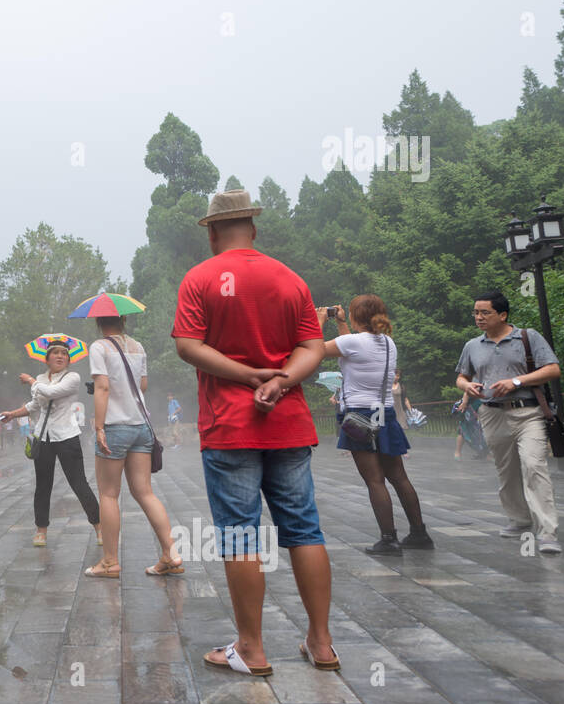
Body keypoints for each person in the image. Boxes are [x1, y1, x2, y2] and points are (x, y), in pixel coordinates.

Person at [172, 189, 336, 677]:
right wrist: (283, 379)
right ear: (254, 228)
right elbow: (313, 346)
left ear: (211, 230)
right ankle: (322, 644)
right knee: (304, 529)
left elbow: (186, 345)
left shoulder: (199, 278)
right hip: (288, 424)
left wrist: (248, 377)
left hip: (230, 426)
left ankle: (251, 648)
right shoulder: (288, 278)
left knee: (241, 535)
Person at [320, 297, 433, 554]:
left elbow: (314, 350)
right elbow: (351, 347)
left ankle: (388, 539)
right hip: (386, 413)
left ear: (357, 316)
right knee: (399, 477)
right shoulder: (388, 342)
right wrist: (341, 325)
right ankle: (419, 533)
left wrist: (319, 321)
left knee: (375, 480)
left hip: (360, 414)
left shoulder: (353, 342)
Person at [455, 290, 562, 555]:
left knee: (534, 465)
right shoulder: (472, 345)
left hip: (528, 412)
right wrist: (468, 386)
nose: (478, 317)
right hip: (492, 413)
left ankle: (547, 531)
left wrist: (516, 381)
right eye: (476, 312)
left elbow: (552, 369)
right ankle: (520, 519)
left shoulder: (527, 337)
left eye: (485, 312)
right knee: (507, 470)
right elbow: (461, 377)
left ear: (502, 314)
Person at [82, 315, 182, 578]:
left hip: (115, 426)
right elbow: (143, 386)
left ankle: (109, 562)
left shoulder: (99, 347)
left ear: (99, 322)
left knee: (108, 494)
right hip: (141, 426)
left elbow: (103, 387)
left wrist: (100, 426)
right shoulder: (138, 347)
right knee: (145, 492)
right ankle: (171, 554)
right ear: (123, 320)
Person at [0, 340, 101, 547]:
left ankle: (99, 527)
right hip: (43, 437)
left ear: (68, 359)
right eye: (55, 353)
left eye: (64, 353)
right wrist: (12, 414)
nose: (60, 356)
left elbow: (52, 393)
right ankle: (41, 530)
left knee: (79, 483)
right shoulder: (41, 379)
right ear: (47, 358)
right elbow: (35, 405)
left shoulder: (72, 377)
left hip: (67, 436)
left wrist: (30, 381)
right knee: (43, 485)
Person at [453, 393, 487, 460]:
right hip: (470, 407)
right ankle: (457, 452)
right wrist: (465, 403)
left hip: (481, 406)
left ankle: (484, 453)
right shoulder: (478, 384)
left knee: (481, 432)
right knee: (463, 431)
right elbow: (467, 391)